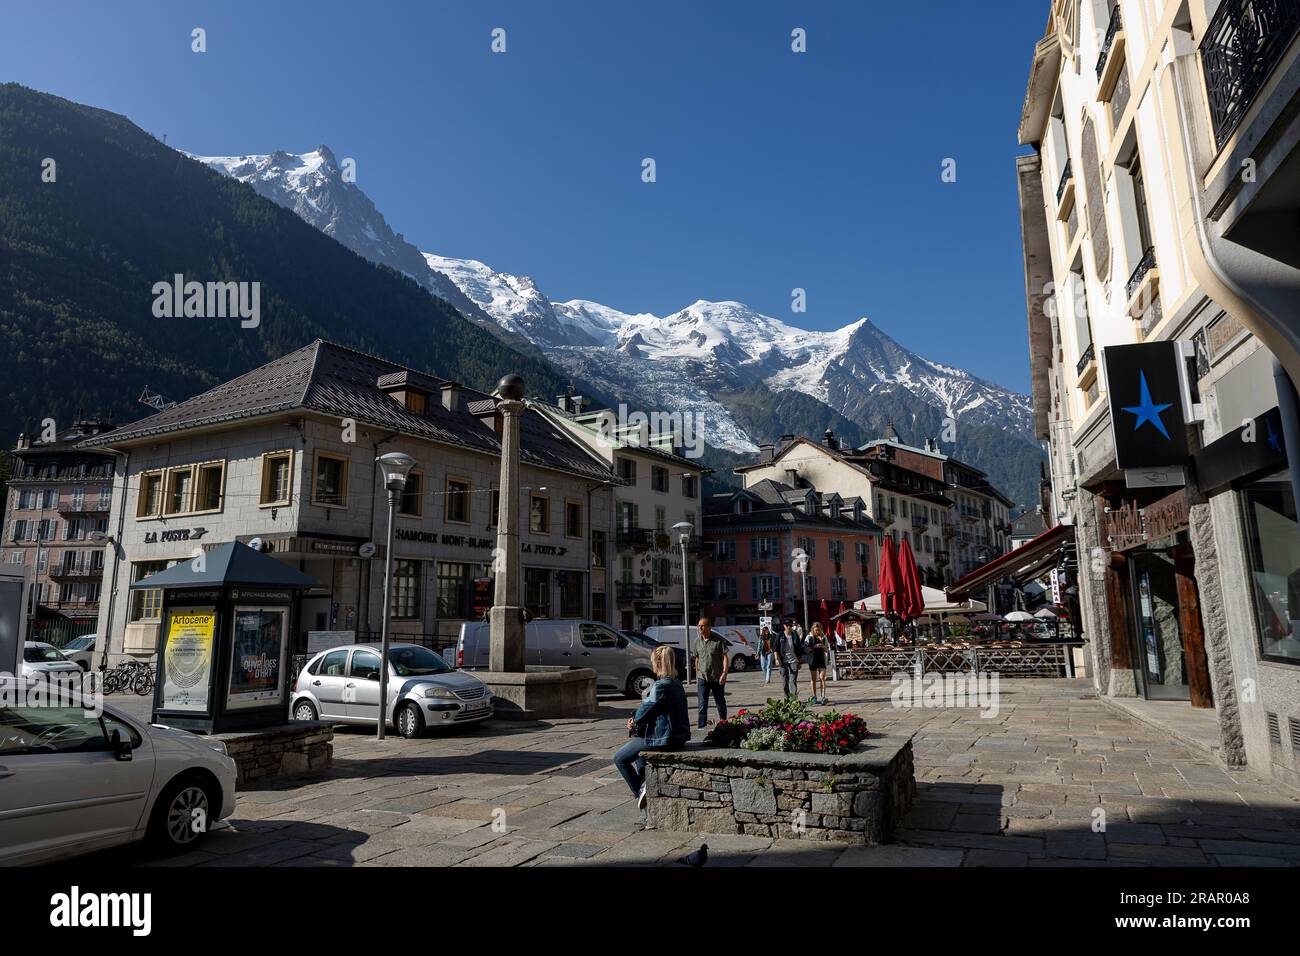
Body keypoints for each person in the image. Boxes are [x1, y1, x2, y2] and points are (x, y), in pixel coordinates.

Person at [613, 645, 690, 810]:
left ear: (658, 663)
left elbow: (643, 712)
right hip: (679, 736)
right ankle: (644, 784)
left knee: (619, 758)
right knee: (639, 748)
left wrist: (632, 720)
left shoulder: (661, 685)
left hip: (665, 739)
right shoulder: (676, 683)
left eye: (653, 662)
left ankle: (640, 791)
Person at [693, 617, 729, 728]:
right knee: (702, 704)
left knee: (720, 703)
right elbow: (697, 658)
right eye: (699, 626)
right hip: (702, 677)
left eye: (702, 625)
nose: (700, 628)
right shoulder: (697, 641)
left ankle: (724, 725)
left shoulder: (718, 640)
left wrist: (724, 673)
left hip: (716, 677)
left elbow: (725, 657)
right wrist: (697, 673)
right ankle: (701, 727)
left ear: (709, 627)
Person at [778, 621, 802, 698]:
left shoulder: (795, 635)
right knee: (785, 682)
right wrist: (776, 658)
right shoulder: (780, 635)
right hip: (783, 661)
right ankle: (786, 698)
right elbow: (775, 648)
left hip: (794, 661)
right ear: (784, 626)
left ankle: (793, 699)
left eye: (790, 626)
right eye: (787, 625)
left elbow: (799, 648)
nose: (789, 627)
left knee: (793, 681)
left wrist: (800, 661)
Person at [807, 623, 828, 705]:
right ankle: (814, 696)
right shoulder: (809, 637)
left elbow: (827, 649)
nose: (818, 631)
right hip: (812, 659)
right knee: (813, 678)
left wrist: (822, 646)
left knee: (822, 677)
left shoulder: (824, 637)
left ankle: (823, 696)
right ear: (813, 630)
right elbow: (806, 648)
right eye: (816, 630)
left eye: (819, 630)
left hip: (822, 659)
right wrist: (814, 646)